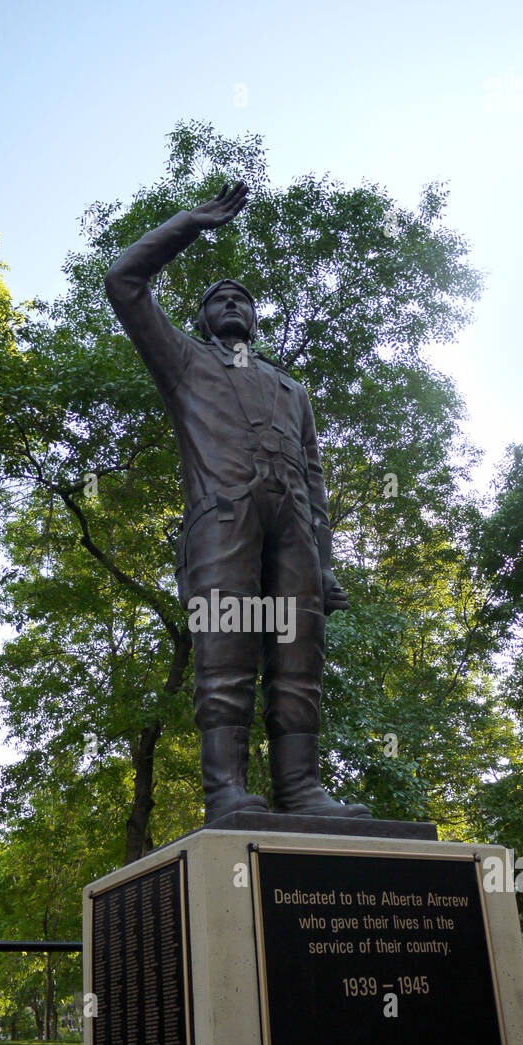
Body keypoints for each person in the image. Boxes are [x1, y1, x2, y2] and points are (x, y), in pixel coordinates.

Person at [105, 181, 370, 823]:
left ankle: (300, 788)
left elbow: (314, 480)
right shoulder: (185, 365)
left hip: (294, 539)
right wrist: (191, 223)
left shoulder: (291, 389)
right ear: (201, 320)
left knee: (297, 658)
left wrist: (325, 559)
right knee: (225, 654)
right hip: (223, 526)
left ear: (255, 319)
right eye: (219, 299)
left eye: (242, 300)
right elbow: (123, 282)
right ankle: (225, 790)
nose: (232, 304)